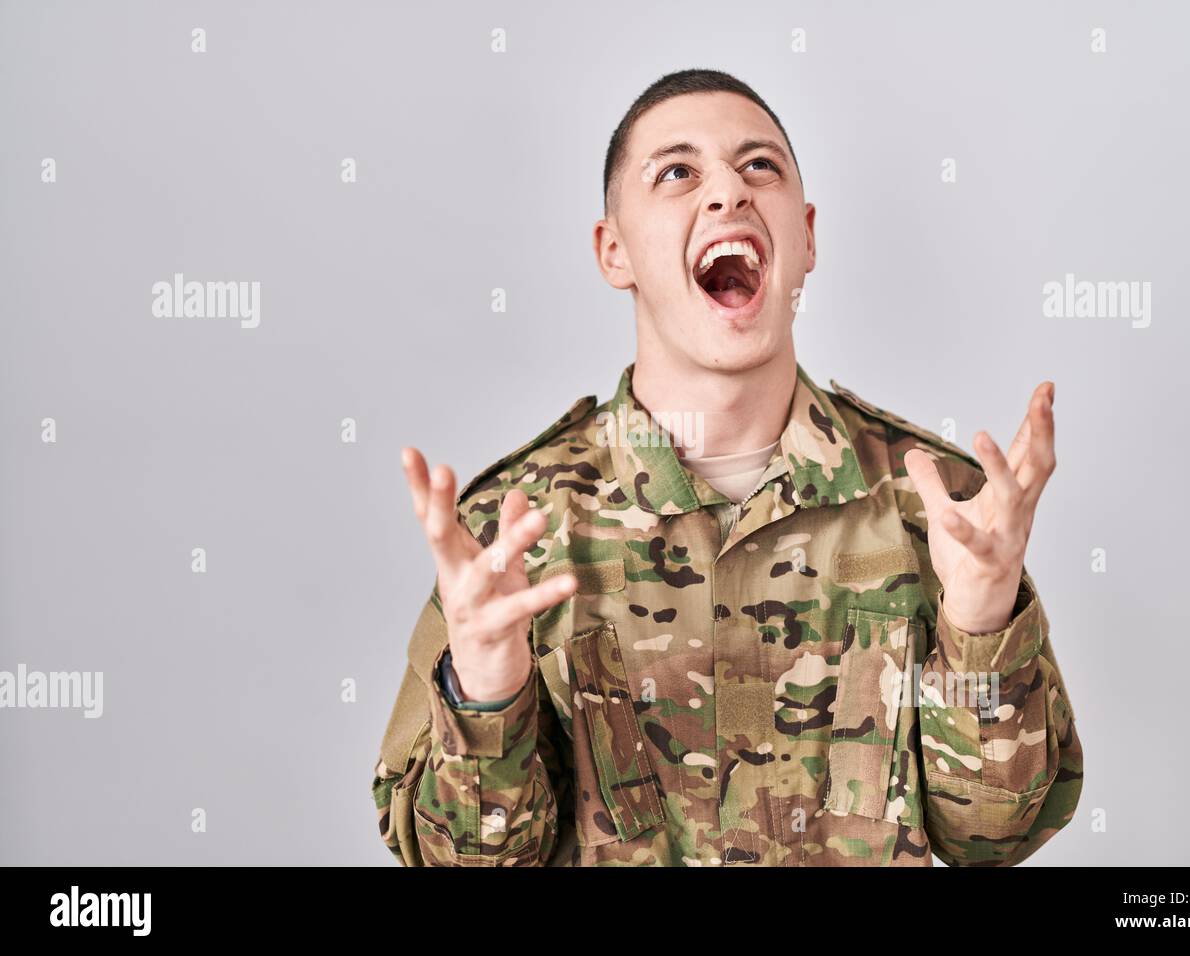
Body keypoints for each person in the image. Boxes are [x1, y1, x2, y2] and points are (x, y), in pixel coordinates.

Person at [371, 69, 1083, 867]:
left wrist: (982, 623)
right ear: (615, 251)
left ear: (807, 237)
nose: (728, 195)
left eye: (760, 167)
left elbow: (993, 838)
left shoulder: (936, 505)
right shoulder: (513, 534)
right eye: (677, 172)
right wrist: (488, 687)